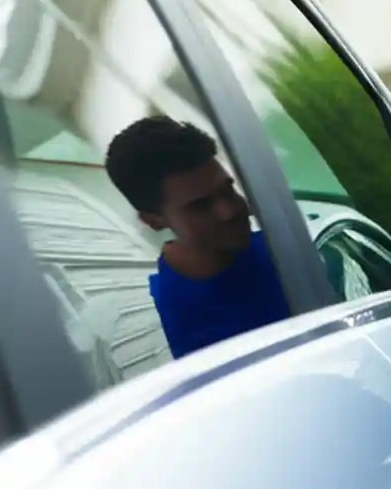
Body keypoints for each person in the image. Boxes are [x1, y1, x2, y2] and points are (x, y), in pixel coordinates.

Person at [105, 115, 290, 358]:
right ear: (154, 221)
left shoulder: (281, 245)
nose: (230, 210)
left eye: (228, 189)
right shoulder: (179, 325)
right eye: (200, 206)